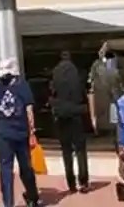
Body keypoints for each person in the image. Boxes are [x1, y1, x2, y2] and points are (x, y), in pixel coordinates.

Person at [0, 58, 40, 207]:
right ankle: (32, 196)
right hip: (21, 132)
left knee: (5, 169)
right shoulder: (22, 85)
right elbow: (29, 109)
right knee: (26, 167)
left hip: (2, 134)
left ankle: (8, 202)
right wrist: (32, 130)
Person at [48, 51, 88, 194]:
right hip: (76, 113)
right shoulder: (77, 74)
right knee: (80, 149)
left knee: (66, 150)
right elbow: (84, 95)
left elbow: (52, 94)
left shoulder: (55, 74)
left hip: (62, 115)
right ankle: (83, 182)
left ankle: (71, 183)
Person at [88, 44, 122, 138]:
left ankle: (115, 133)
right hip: (107, 94)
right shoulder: (98, 65)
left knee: (114, 116)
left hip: (113, 95)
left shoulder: (113, 64)